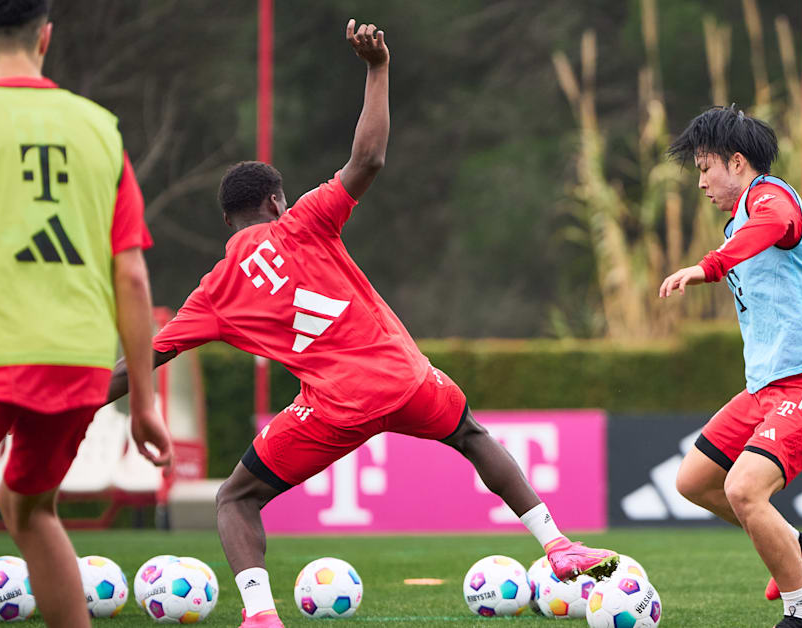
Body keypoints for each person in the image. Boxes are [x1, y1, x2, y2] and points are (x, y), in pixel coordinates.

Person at [105, 21, 617, 628]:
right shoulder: (301, 222)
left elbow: (146, 356)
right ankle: (558, 546)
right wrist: (376, 68)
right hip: (407, 381)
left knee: (236, 498)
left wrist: (76, 402)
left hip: (331, 409)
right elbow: (368, 157)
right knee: (472, 437)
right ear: (276, 201)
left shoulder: (213, 292)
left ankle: (262, 616)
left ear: (227, 222)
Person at [0, 1, 172, 626]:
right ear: (46, 38)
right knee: (29, 508)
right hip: (75, 365)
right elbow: (130, 273)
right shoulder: (99, 128)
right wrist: (145, 402)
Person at [661, 105, 802, 628]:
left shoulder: (771, 197)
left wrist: (706, 267)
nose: (701, 182)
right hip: (766, 388)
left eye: (704, 167)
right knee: (693, 481)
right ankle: (793, 542)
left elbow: (776, 222)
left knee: (743, 489)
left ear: (737, 163)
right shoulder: (741, 222)